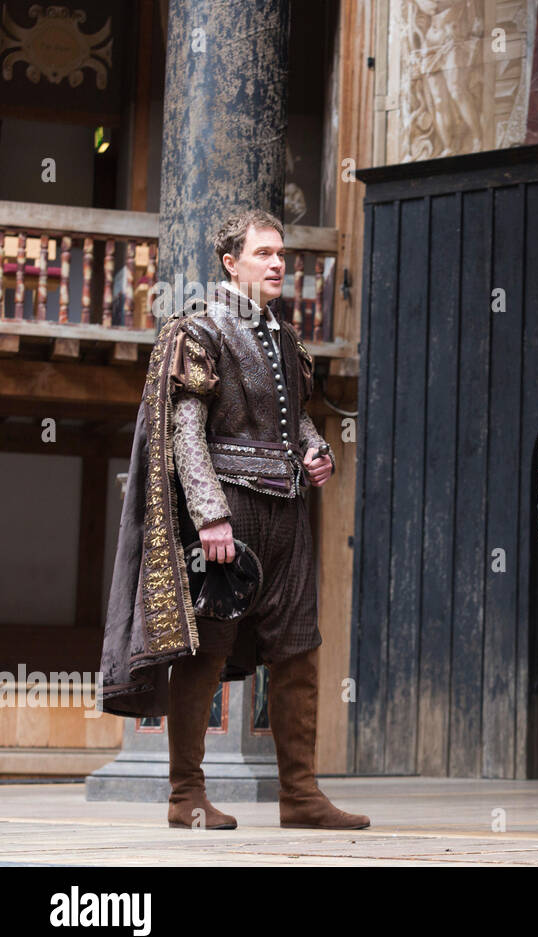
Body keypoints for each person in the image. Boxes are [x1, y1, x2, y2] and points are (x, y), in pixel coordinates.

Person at [100, 208, 368, 831]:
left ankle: (300, 796)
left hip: (287, 509)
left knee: (298, 648)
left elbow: (292, 418)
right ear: (231, 262)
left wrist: (314, 449)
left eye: (283, 254)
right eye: (265, 254)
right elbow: (185, 432)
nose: (279, 264)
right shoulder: (198, 330)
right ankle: (185, 794)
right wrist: (212, 516)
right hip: (230, 508)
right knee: (208, 649)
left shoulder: (282, 334)